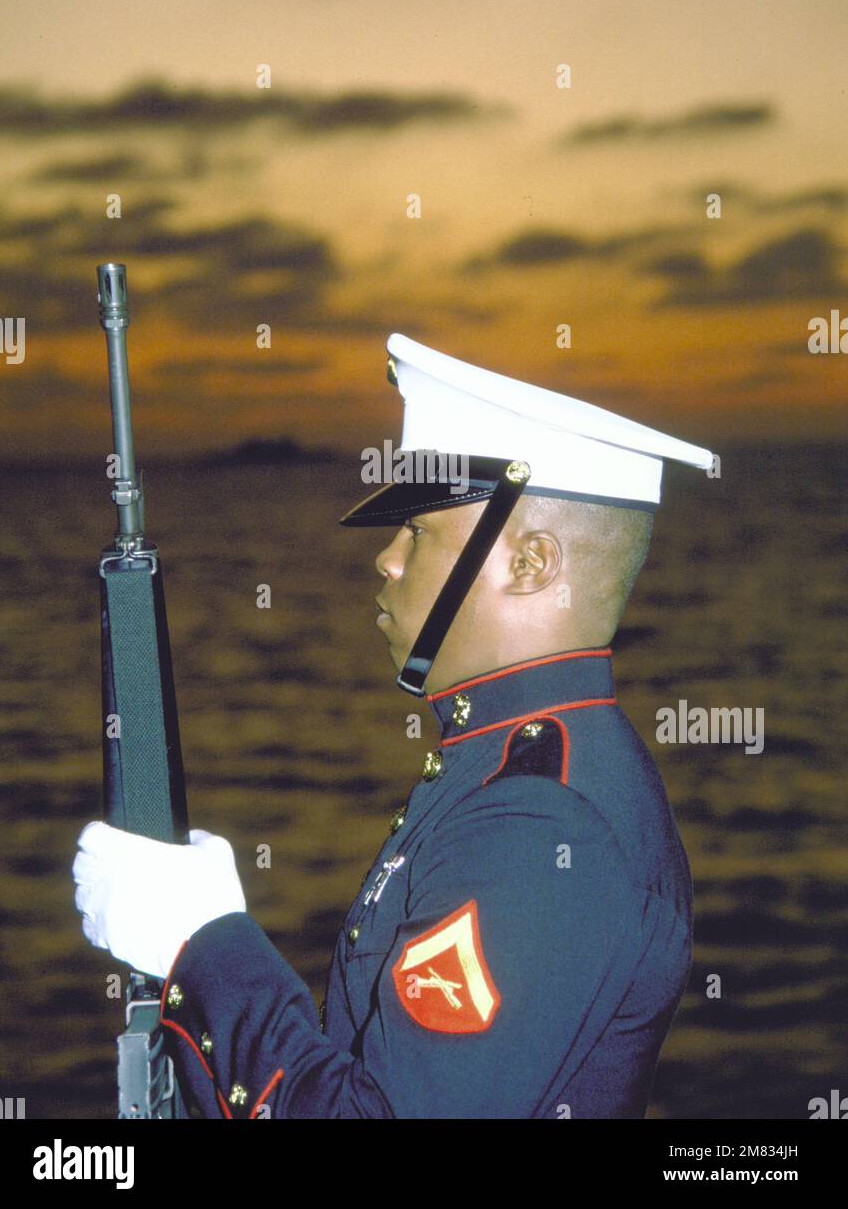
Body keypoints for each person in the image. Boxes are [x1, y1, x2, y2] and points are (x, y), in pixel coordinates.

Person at [74, 332, 714, 1119]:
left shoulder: (542, 823)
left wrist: (205, 943)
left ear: (529, 564)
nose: (386, 559)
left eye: (418, 531)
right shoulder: (522, 768)